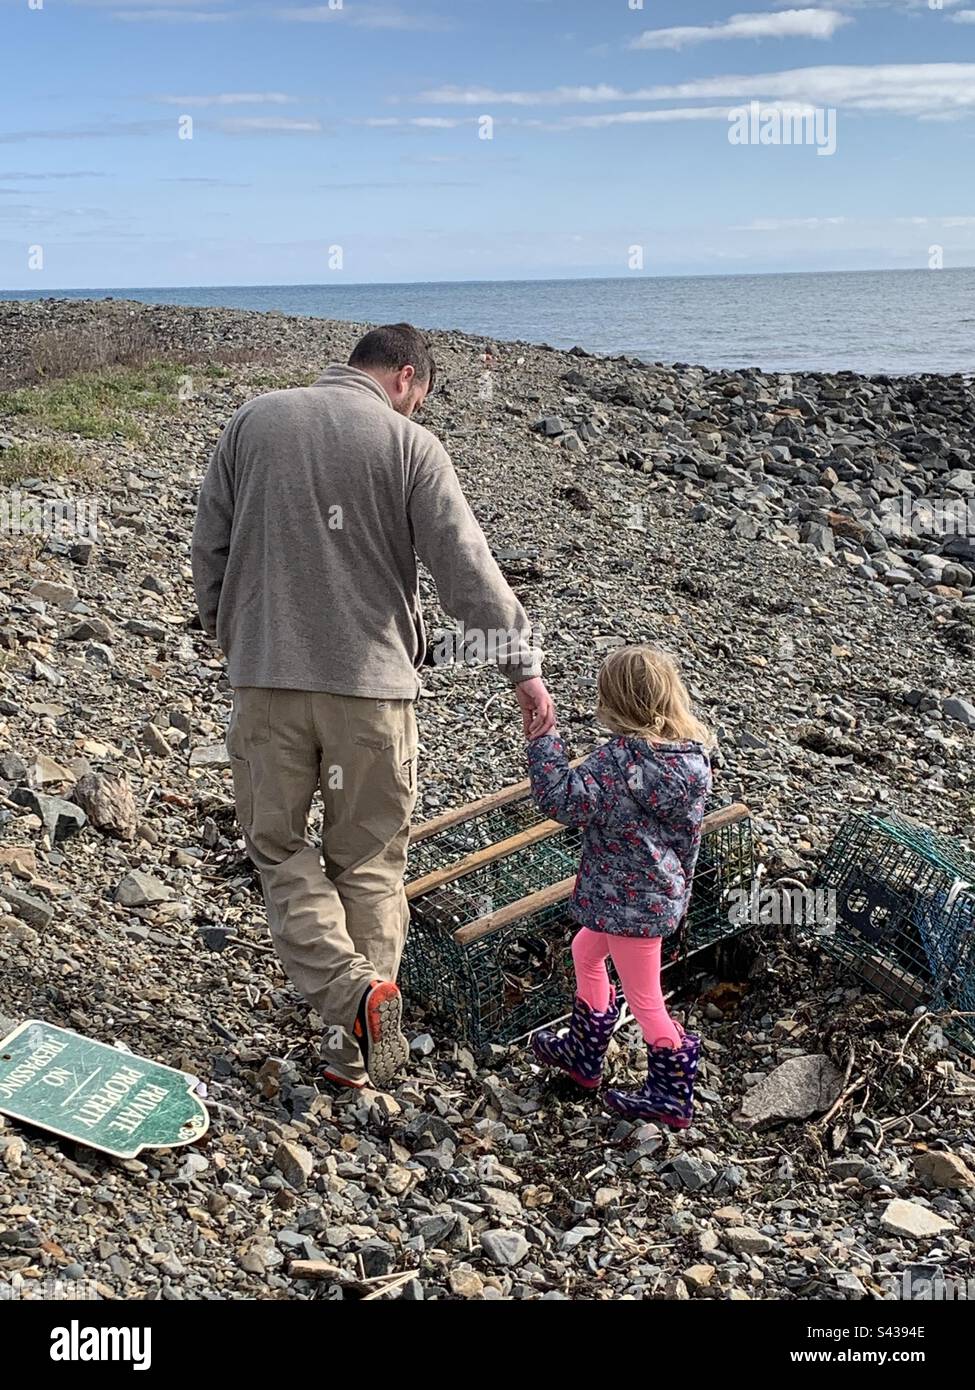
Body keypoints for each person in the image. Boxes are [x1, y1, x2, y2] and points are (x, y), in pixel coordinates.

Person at [192, 323, 555, 1090]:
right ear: (406, 377)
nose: (418, 408)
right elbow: (465, 569)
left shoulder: (253, 420)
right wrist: (520, 666)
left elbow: (211, 545)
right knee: (368, 863)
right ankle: (355, 1048)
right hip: (374, 691)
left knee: (278, 846)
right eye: (421, 396)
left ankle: (349, 997)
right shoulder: (408, 446)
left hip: (267, 679)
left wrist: (226, 629)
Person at [525, 645, 712, 1128]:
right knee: (586, 952)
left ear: (613, 704)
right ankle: (585, 1054)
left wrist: (544, 739)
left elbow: (562, 799)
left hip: (626, 908)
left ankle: (670, 1094)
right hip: (655, 896)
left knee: (646, 999)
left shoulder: (617, 763)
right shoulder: (690, 762)